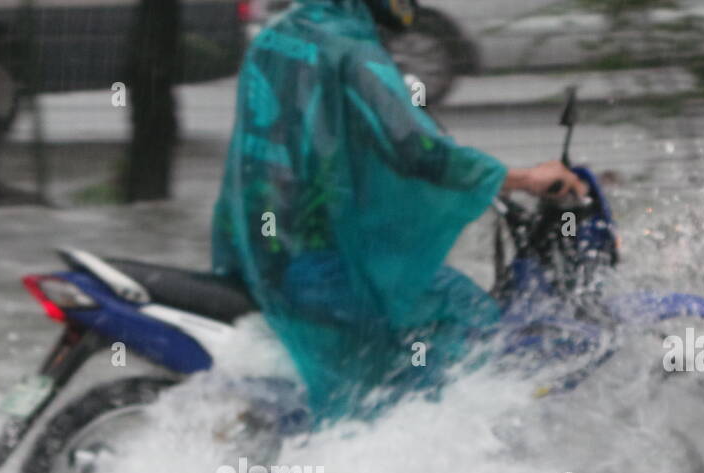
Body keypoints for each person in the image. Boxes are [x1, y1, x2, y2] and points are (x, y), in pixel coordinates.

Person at [211, 0, 585, 422]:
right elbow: (415, 147)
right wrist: (523, 177)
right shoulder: (350, 47)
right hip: (330, 264)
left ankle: (369, 422)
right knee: (466, 315)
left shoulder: (278, 36)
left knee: (396, 344)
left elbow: (315, 136)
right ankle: (437, 438)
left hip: (263, 256)